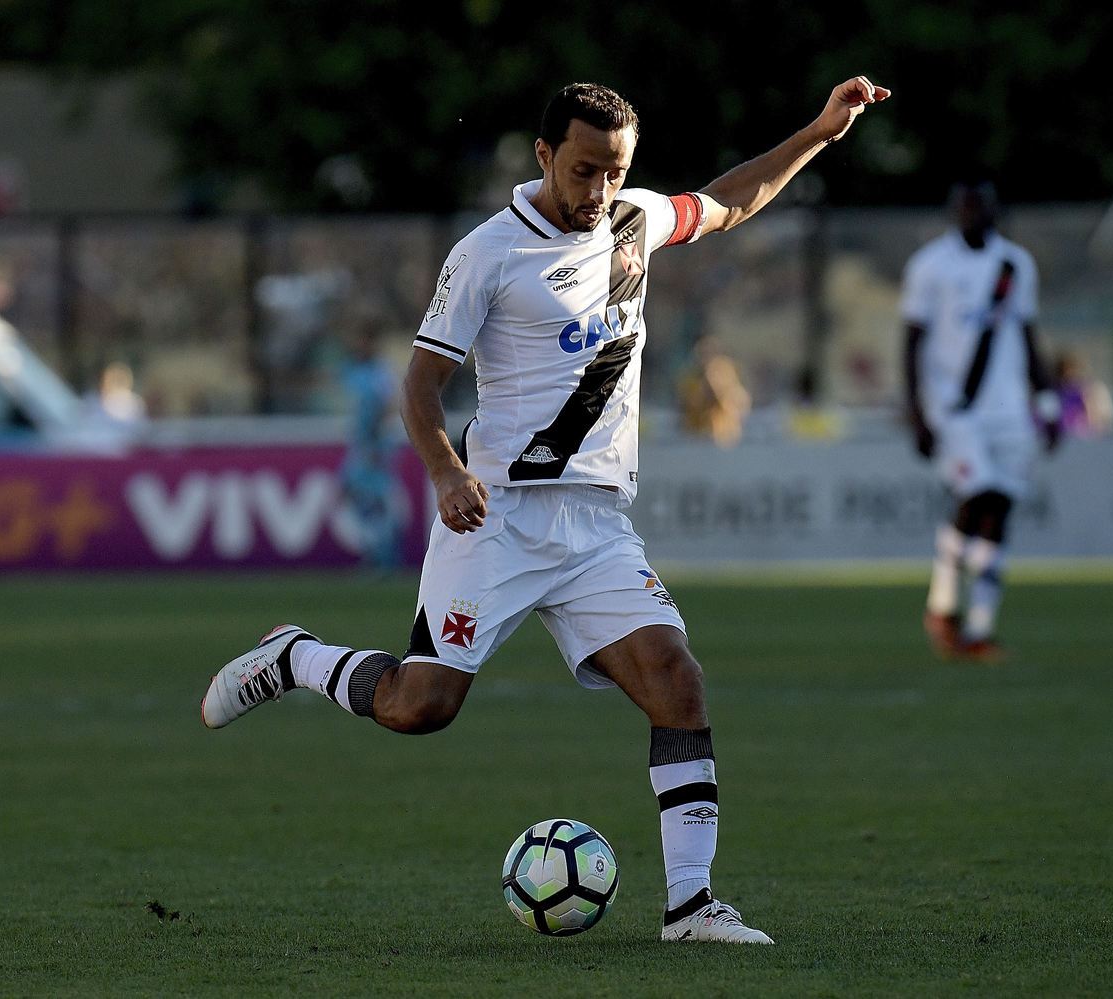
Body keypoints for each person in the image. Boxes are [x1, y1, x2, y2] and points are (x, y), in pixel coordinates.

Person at [203, 76, 890, 944]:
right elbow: (421, 383)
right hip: (496, 517)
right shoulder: (486, 252)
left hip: (596, 525)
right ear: (543, 157)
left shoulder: (634, 219)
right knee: (423, 705)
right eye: (582, 170)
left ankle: (690, 907)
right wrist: (449, 473)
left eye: (614, 171)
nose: (598, 192)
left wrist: (820, 132)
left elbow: (726, 200)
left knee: (678, 682)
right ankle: (295, 657)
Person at [901, 180, 1061, 663]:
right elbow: (910, 341)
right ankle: (943, 607)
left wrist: (1048, 403)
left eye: (981, 206)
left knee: (1000, 510)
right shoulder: (930, 266)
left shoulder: (1016, 264)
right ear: (953, 212)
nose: (972, 214)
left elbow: (1028, 335)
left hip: (1009, 408)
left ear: (995, 211)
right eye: (965, 206)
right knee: (978, 496)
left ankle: (980, 626)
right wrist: (915, 411)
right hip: (954, 408)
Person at [339, 322, 402, 570]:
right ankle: (377, 551)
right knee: (354, 493)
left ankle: (384, 556)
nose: (360, 345)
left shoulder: (380, 373)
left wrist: (375, 444)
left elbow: (385, 407)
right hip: (360, 444)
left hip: (375, 445)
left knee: (377, 499)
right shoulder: (353, 371)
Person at [677, 333, 751, 447]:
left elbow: (741, 403)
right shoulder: (690, 379)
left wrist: (720, 391)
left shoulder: (727, 374)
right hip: (696, 439)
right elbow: (686, 408)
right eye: (703, 354)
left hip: (725, 439)